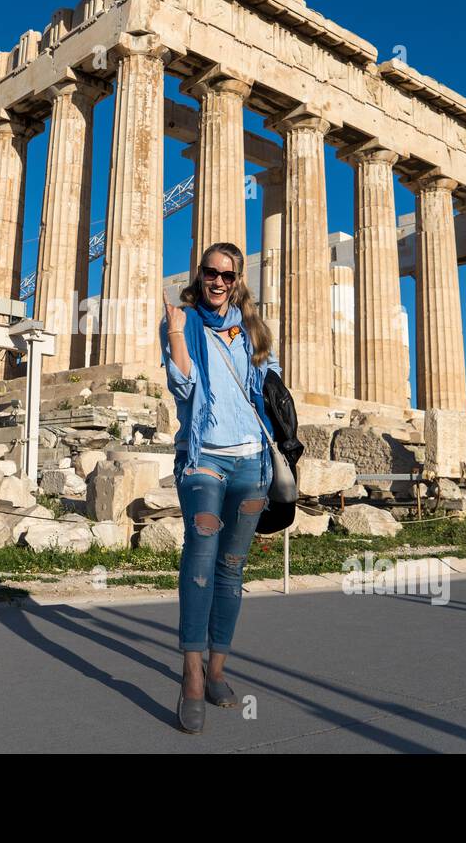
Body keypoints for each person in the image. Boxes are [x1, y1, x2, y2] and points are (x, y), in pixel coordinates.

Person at [160, 241, 280, 734]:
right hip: (204, 458)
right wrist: (174, 333)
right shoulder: (183, 320)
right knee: (201, 561)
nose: (217, 281)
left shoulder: (253, 328)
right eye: (210, 272)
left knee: (232, 569)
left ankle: (217, 671)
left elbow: (269, 386)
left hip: (251, 461)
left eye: (227, 275)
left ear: (238, 280)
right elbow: (183, 387)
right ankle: (190, 675)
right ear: (200, 274)